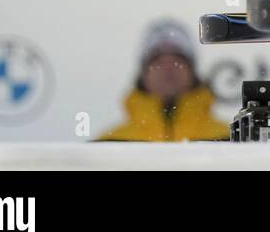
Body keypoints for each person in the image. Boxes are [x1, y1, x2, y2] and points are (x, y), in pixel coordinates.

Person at [98, 19, 229, 141]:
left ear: (192, 71)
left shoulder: (229, 139)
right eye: (158, 61)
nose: (168, 68)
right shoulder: (108, 143)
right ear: (144, 74)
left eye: (177, 59)